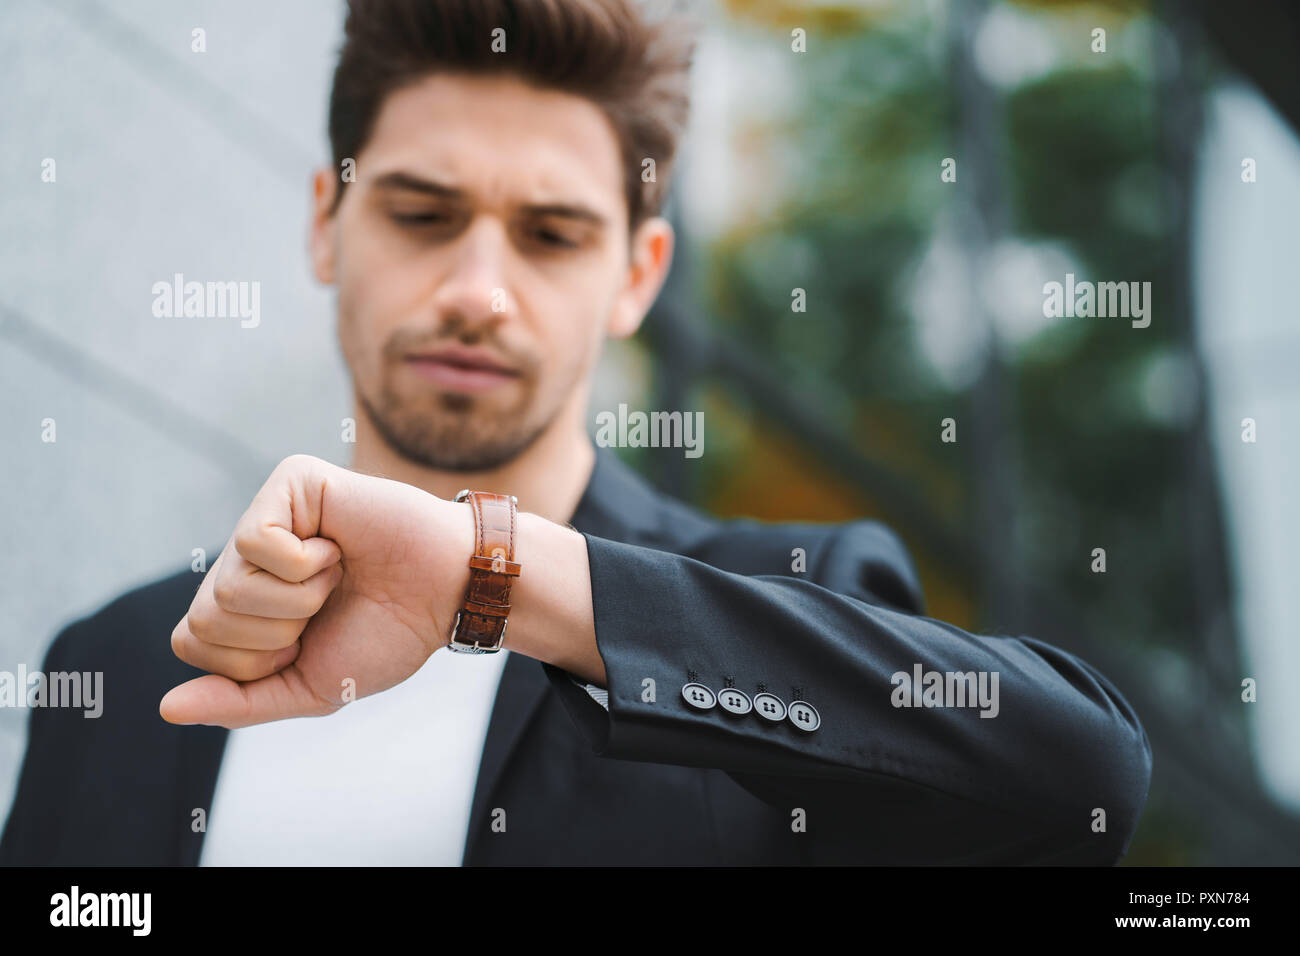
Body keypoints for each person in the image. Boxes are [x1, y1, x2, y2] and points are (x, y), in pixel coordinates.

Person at [0, 0, 1151, 866]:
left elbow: (1084, 779)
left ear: (638, 276)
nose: (479, 291)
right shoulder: (111, 662)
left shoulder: (778, 598)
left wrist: (493, 574)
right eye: (421, 212)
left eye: (550, 234)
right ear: (325, 222)